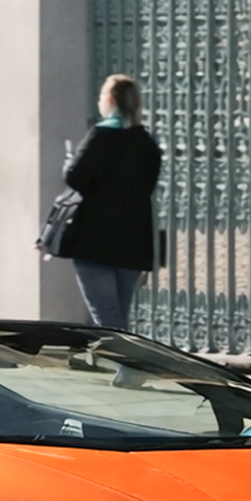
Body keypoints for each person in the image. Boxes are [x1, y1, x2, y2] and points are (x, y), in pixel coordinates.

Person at [58, 73, 163, 331]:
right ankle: (113, 367)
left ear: (110, 99)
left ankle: (123, 369)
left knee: (107, 321)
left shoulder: (101, 136)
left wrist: (70, 164)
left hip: (96, 242)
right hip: (133, 243)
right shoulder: (146, 142)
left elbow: (75, 176)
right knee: (117, 317)